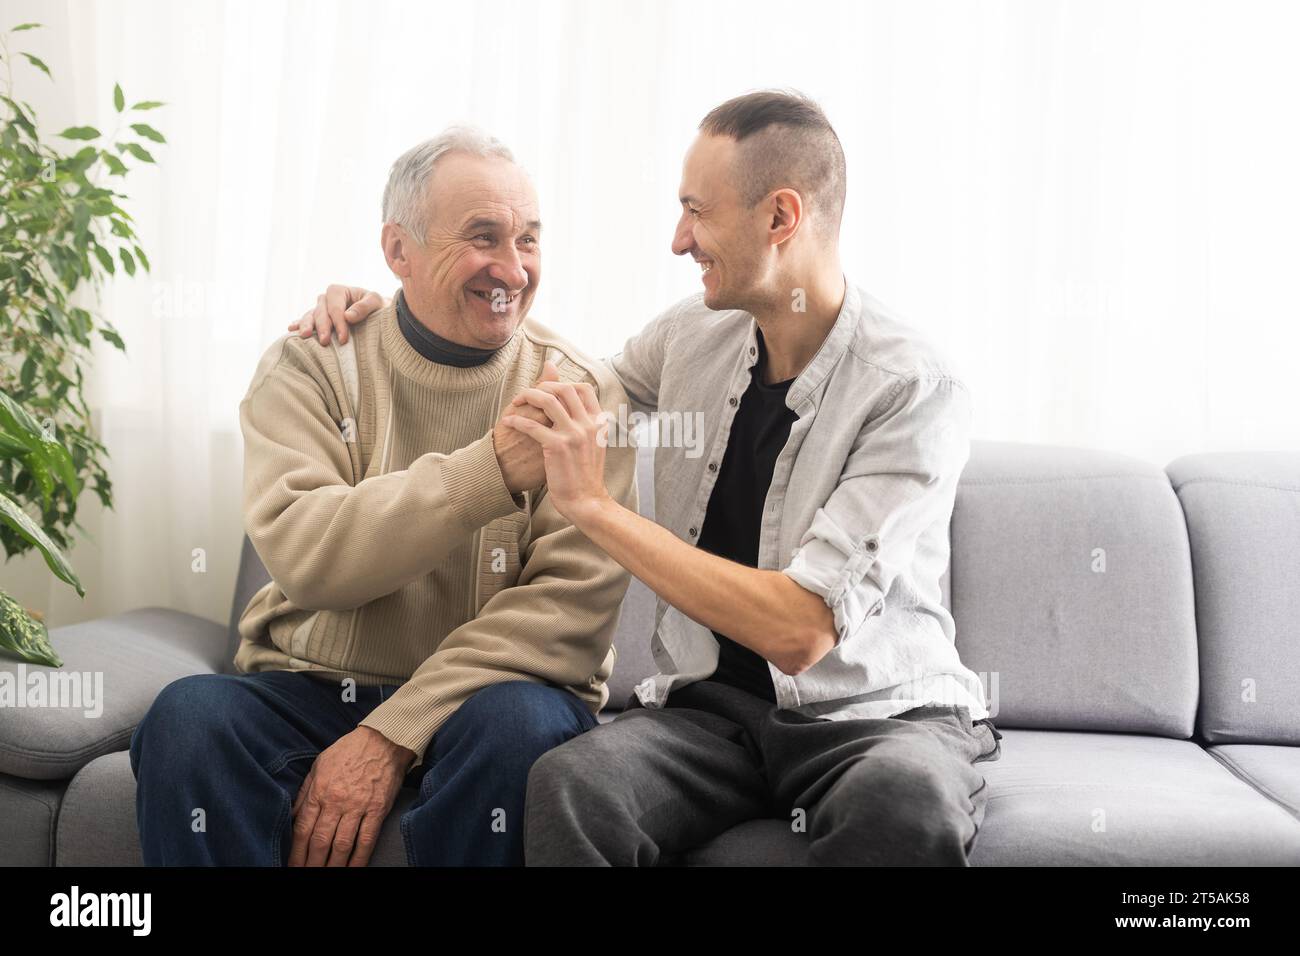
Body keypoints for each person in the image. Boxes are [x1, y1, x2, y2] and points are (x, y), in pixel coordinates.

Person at [295, 90, 1002, 866]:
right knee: (572, 783)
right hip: (712, 719)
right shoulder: (689, 337)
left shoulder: (912, 388)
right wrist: (398, 317)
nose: (678, 240)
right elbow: (542, 394)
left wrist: (596, 509)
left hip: (876, 719)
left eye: (698, 212)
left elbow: (800, 631)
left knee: (903, 805)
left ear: (780, 218)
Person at [129, 127, 636, 867]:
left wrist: (395, 730)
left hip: (487, 700)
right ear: (398, 251)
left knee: (517, 727)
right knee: (188, 719)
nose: (513, 268)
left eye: (528, 240)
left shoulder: (578, 393)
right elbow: (310, 556)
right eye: (483, 237)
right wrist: (489, 470)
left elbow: (568, 614)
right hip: (311, 688)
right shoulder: (310, 365)